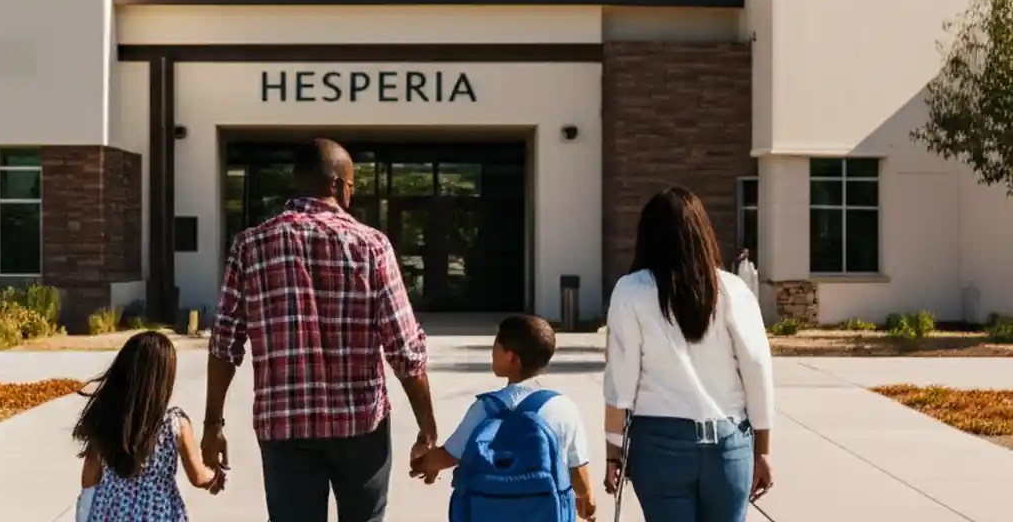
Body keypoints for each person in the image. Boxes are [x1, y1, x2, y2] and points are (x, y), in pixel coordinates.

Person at [202, 138, 438, 522]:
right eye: (351, 186)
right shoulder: (372, 245)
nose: (352, 194)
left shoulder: (251, 246)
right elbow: (405, 347)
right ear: (335, 184)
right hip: (362, 424)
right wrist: (427, 428)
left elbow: (224, 343)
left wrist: (213, 425)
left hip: (284, 425)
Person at [602, 187, 775, 522]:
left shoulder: (631, 290)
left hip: (658, 443)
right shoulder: (732, 289)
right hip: (729, 441)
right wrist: (764, 449)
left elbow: (620, 381)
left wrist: (613, 451)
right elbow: (757, 370)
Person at [411, 314, 598, 521]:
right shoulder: (564, 408)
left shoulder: (484, 409)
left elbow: (448, 456)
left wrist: (421, 461)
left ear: (512, 358)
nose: (492, 352)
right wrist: (587, 503)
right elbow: (579, 473)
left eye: (496, 346)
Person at [72, 331, 222, 522]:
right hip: (159, 514)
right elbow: (198, 476)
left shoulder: (107, 419)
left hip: (110, 513)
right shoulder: (175, 425)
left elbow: (89, 480)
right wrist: (216, 476)